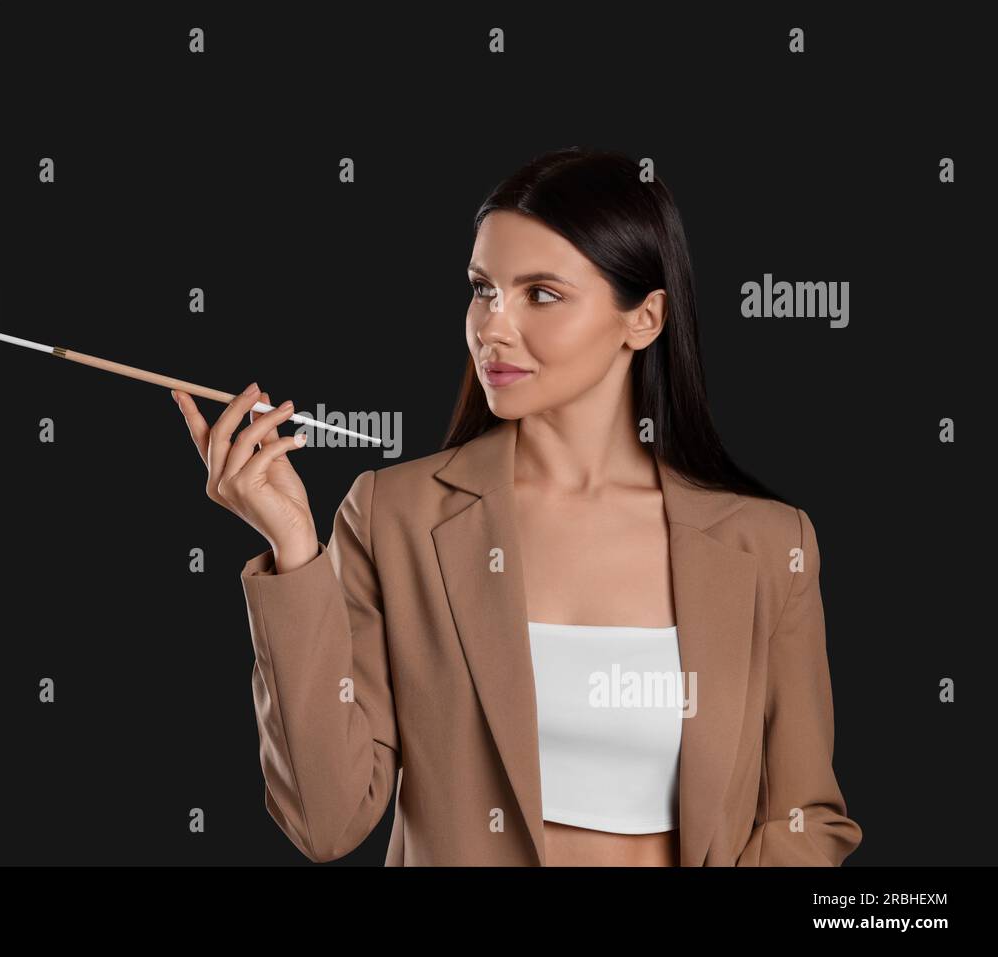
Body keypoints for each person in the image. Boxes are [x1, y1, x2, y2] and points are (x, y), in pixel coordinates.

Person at [171, 146, 862, 866]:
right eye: (482, 289)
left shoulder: (768, 544)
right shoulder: (394, 516)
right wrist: (293, 551)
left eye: (541, 293)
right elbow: (326, 819)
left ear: (645, 318)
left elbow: (805, 815)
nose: (492, 328)